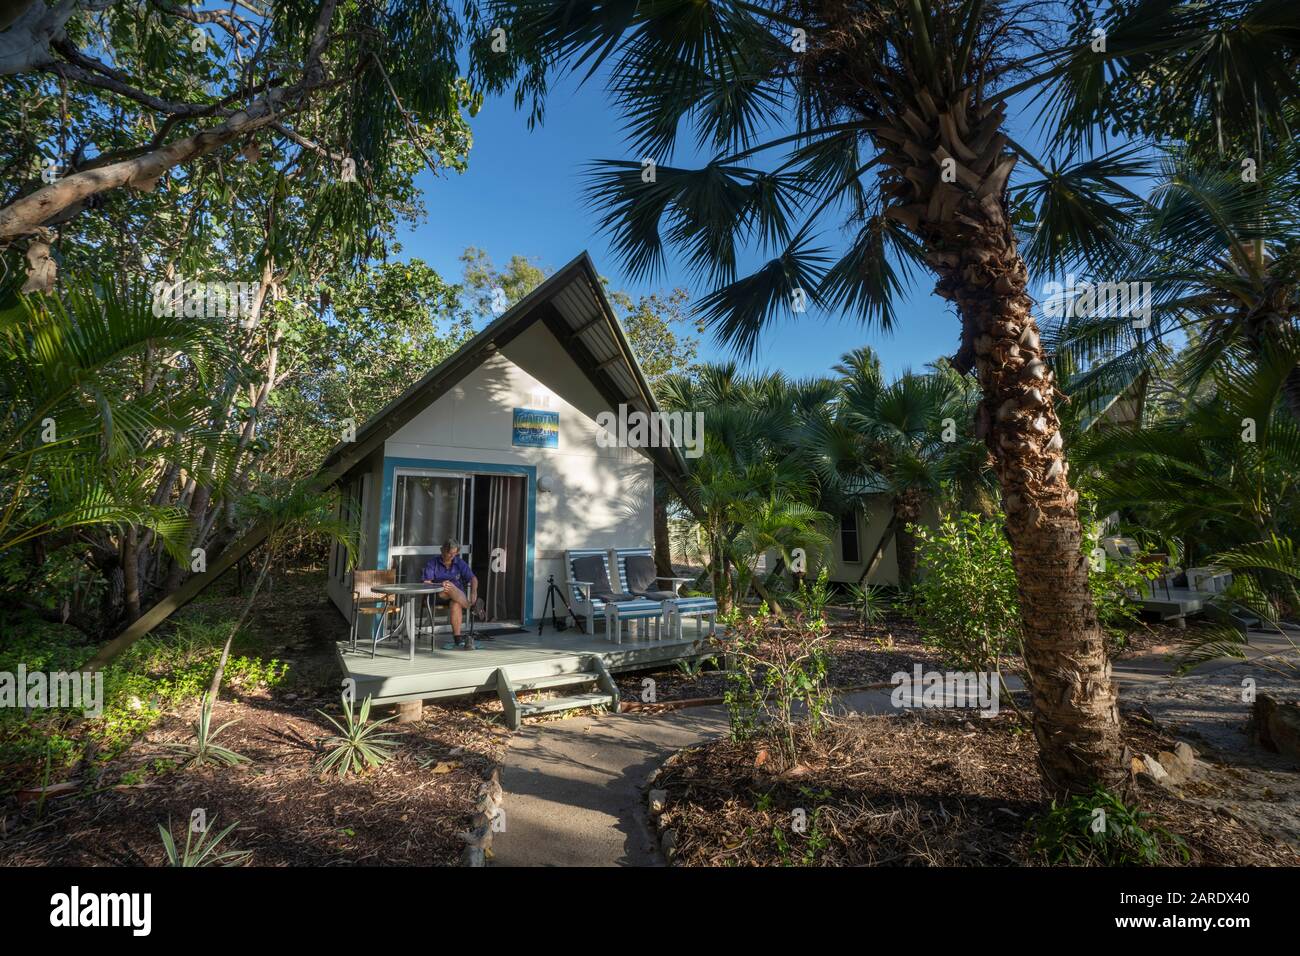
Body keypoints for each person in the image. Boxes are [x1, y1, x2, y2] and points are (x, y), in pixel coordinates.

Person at [422, 539, 478, 650]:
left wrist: (474, 591)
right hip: (438, 595)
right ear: (442, 551)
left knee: (456, 604)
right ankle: (471, 606)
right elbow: (426, 582)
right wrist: (440, 584)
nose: (452, 556)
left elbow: (473, 578)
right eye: (449, 553)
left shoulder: (459, 562)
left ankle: (457, 639)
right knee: (448, 585)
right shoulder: (433, 563)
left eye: (454, 553)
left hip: (457, 597)